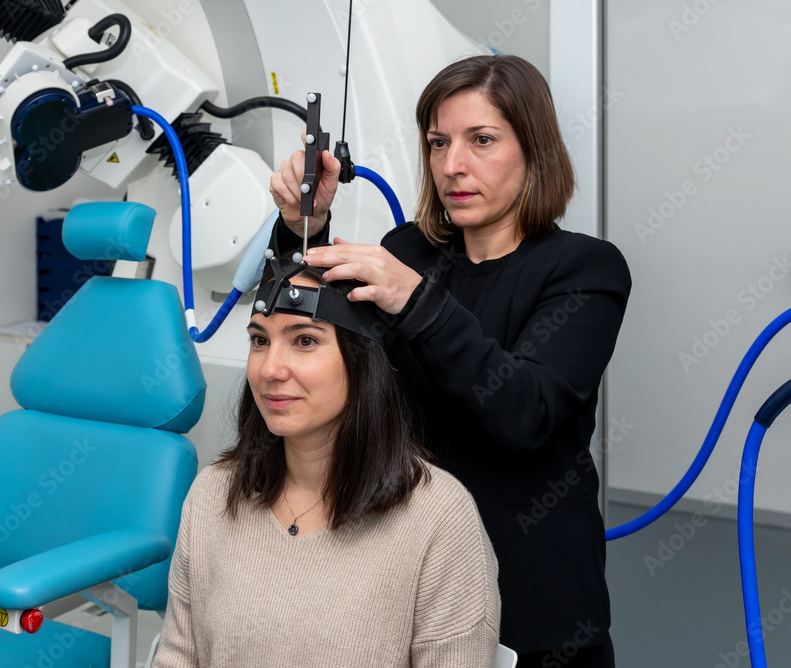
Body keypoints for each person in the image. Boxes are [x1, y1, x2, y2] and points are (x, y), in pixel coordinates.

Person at [267, 54, 631, 667]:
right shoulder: (408, 251)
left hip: (532, 606)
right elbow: (318, 341)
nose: (452, 166)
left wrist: (413, 298)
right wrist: (305, 228)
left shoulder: (584, 269)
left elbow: (525, 413)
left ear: (534, 151)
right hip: (401, 582)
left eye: (481, 140)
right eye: (438, 143)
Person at [152, 257, 501, 668]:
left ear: (360, 361)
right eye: (259, 340)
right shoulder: (213, 493)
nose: (270, 369)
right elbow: (178, 656)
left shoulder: (439, 518)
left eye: (305, 341)